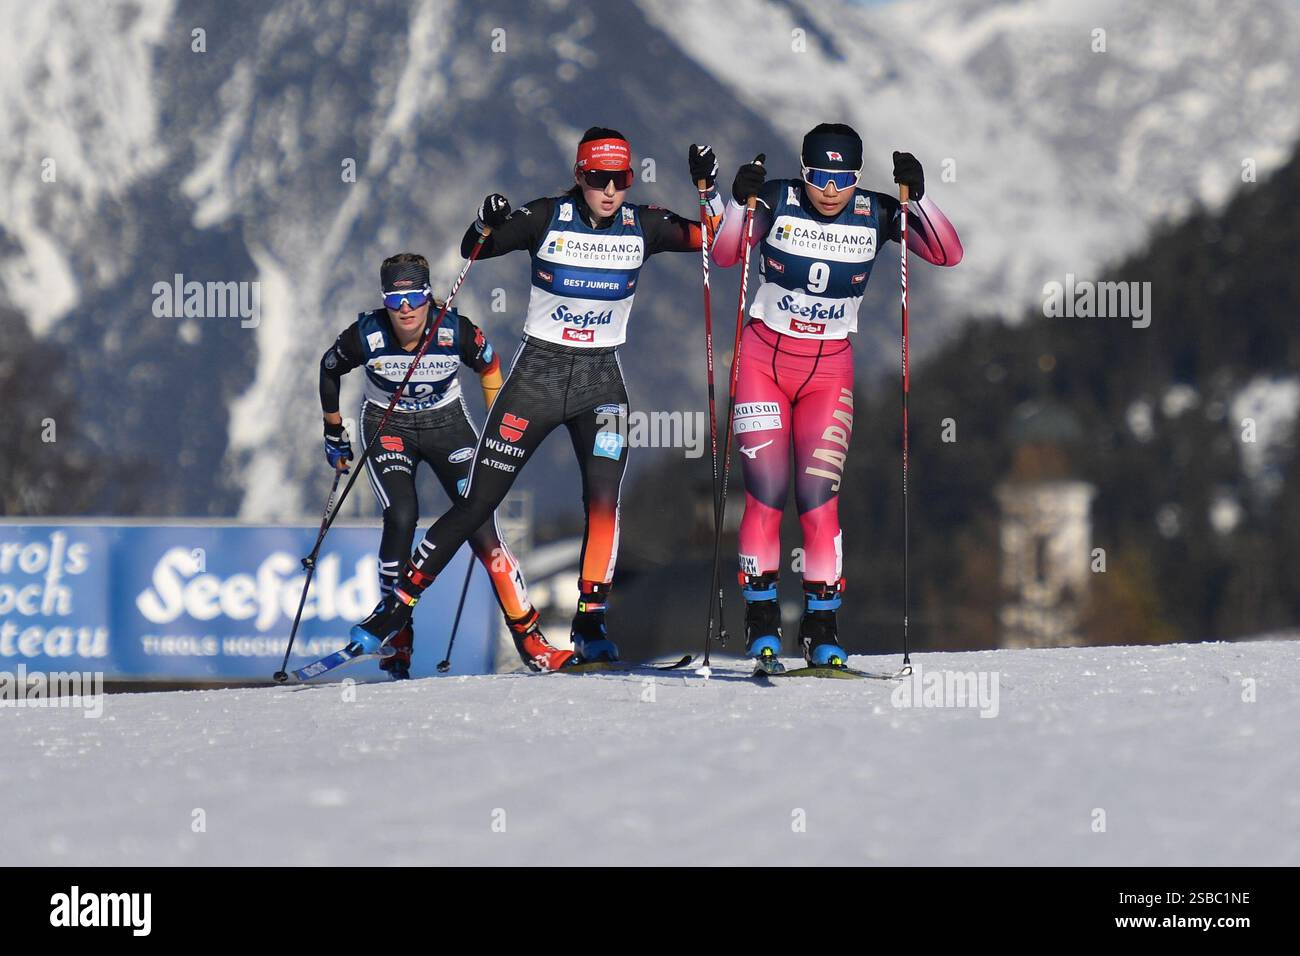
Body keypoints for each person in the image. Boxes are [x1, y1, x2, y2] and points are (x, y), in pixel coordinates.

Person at [346, 128, 725, 668]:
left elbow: (719, 240)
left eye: (620, 179)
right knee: (478, 502)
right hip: (538, 376)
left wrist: (710, 189)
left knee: (602, 502)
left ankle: (590, 622)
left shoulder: (645, 225)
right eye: (598, 179)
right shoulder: (548, 216)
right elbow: (474, 248)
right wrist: (485, 220)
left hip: (601, 382)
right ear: (580, 177)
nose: (610, 191)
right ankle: (396, 607)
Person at [710, 123, 963, 669]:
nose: (831, 190)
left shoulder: (876, 210)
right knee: (766, 495)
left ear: (857, 176)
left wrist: (919, 200)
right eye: (820, 177)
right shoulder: (776, 198)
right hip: (762, 363)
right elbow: (726, 256)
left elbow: (947, 254)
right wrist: (737, 202)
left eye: (843, 178)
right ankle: (761, 619)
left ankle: (823, 627)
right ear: (804, 173)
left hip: (829, 370)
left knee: (819, 501)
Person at [319, 252, 539, 678]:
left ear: (429, 296)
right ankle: (396, 637)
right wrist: (333, 431)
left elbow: (490, 364)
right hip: (388, 424)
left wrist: (496, 425)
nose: (405, 308)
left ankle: (529, 635)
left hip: (447, 424)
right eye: (394, 298)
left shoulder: (454, 329)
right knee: (401, 515)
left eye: (415, 297)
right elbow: (329, 369)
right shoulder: (367, 335)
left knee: (480, 521)